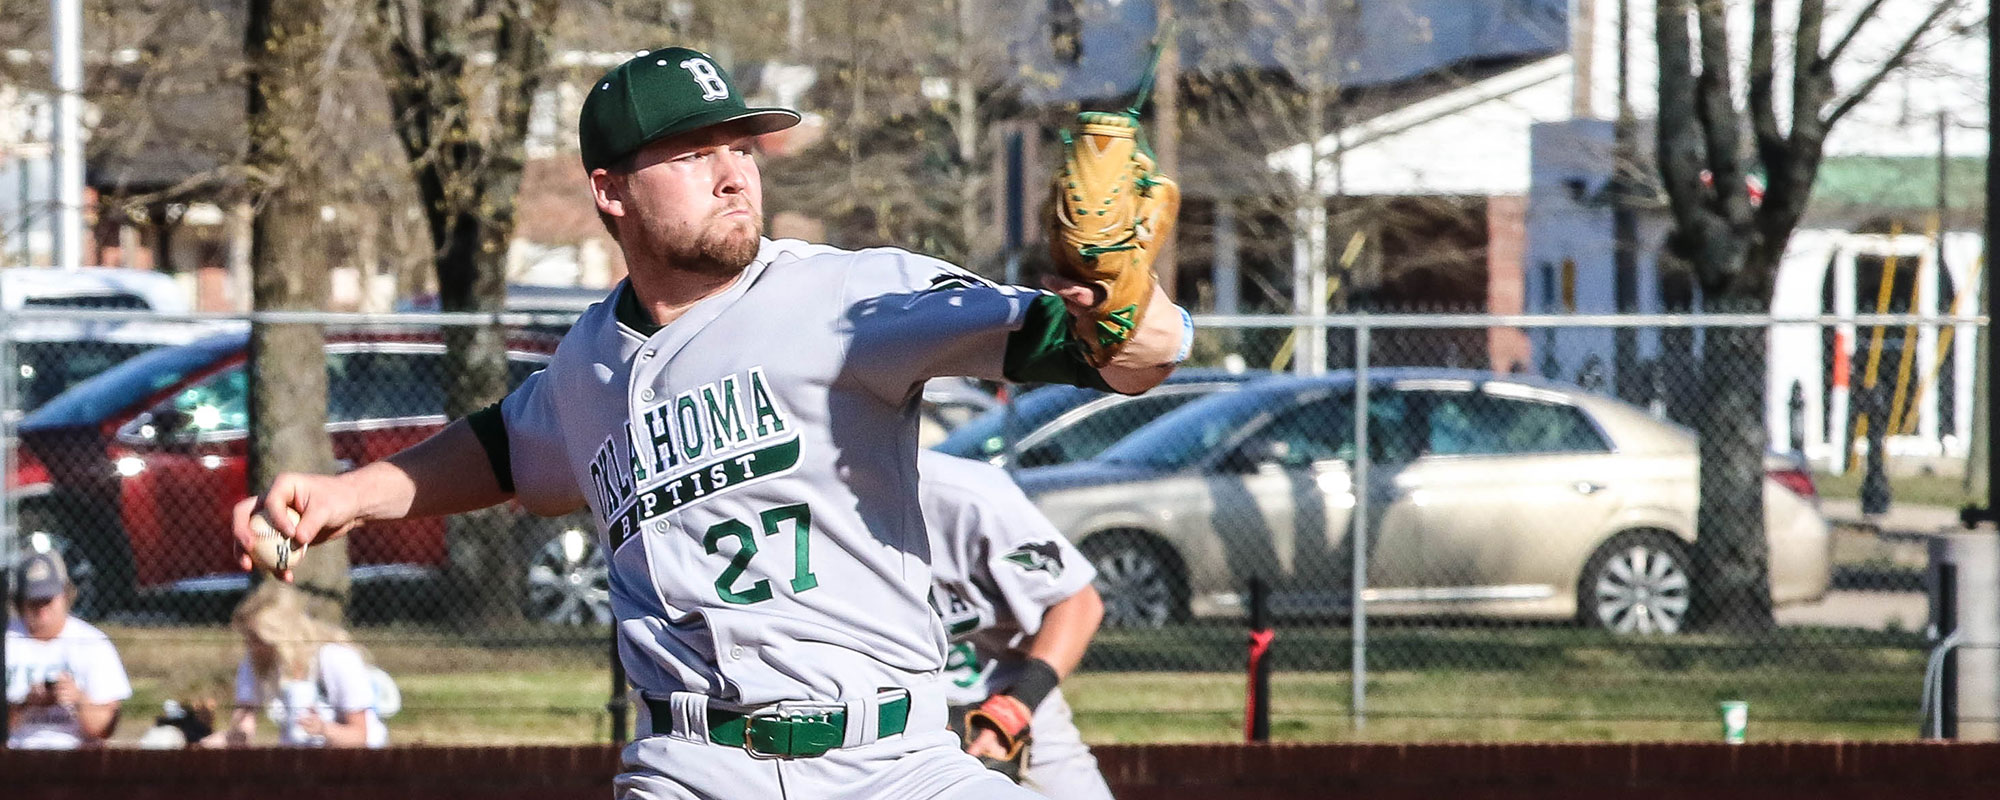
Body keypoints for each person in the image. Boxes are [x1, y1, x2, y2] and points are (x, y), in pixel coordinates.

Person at [233, 46, 1184, 799]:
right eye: (695, 153)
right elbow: (510, 447)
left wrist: (1124, 306)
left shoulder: (850, 296)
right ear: (610, 190)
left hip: (892, 761)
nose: (736, 173)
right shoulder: (589, 359)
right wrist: (344, 496)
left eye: (741, 146)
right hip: (692, 766)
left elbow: (1109, 351)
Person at [921, 451, 1114, 800]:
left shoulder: (966, 495)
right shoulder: (816, 509)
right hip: (901, 718)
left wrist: (1015, 708)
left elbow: (1078, 603)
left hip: (1011, 696)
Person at [198, 586, 388, 748]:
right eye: (248, 638)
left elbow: (359, 736)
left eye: (258, 639)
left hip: (357, 761)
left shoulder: (335, 658)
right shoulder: (256, 660)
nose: (250, 646)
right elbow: (243, 730)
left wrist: (323, 729)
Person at [5, 551, 131, 749]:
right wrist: (25, 704)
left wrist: (77, 699)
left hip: (76, 758)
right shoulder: (7, 640)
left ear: (65, 595)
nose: (41, 609)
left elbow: (104, 728)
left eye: (47, 599)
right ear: (20, 602)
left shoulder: (92, 643)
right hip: (14, 757)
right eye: (34, 601)